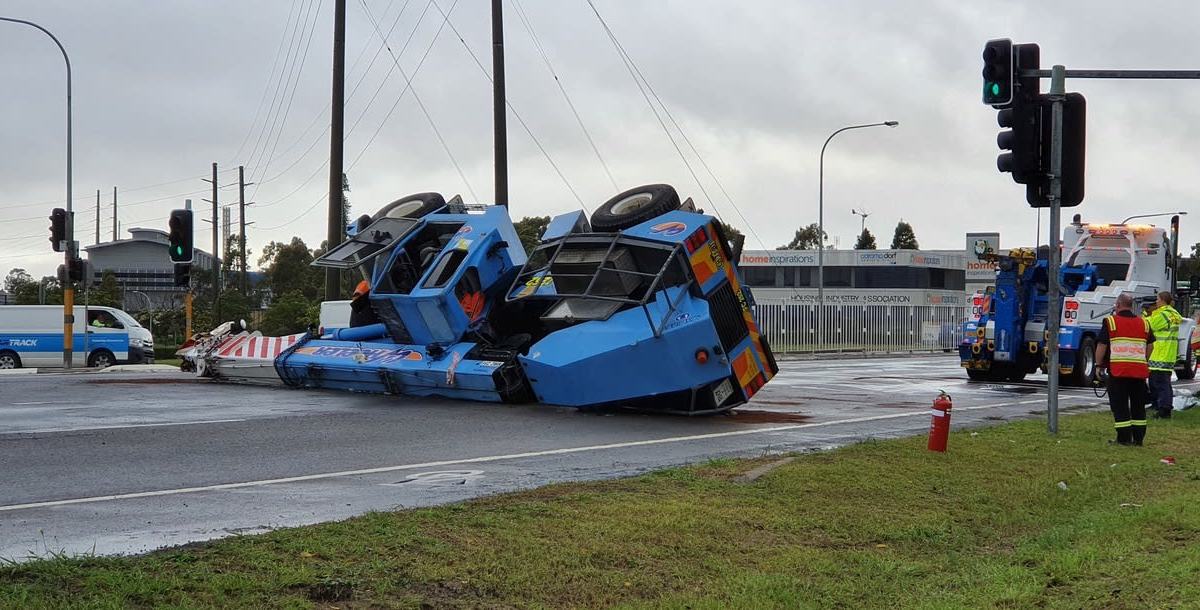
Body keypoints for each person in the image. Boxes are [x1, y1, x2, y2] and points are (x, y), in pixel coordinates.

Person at [1095, 293, 1153, 446]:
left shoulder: (1111, 322)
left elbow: (1102, 345)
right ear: (1131, 305)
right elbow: (1150, 346)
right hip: (1139, 372)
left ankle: (1123, 439)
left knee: (1120, 405)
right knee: (1138, 406)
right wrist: (1142, 360)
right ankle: (1139, 439)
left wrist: (1098, 365)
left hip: (1118, 371)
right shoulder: (1144, 323)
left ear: (1118, 305)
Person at [1145, 291, 1182, 419]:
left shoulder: (1164, 314)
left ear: (1162, 301)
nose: (1156, 301)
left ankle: (1164, 410)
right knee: (1157, 381)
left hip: (1161, 352)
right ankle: (1157, 404)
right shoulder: (1173, 313)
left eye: (1157, 299)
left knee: (1161, 383)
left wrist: (1145, 313)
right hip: (1167, 352)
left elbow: (1149, 325)